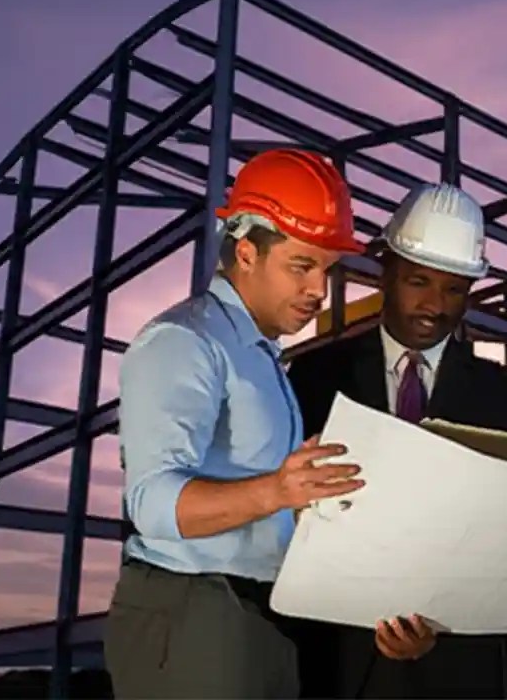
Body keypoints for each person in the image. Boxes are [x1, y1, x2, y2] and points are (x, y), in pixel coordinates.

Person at [104, 148, 368, 699]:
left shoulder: (261, 356)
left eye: (327, 269)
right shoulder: (185, 341)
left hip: (254, 617)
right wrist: (277, 490)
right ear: (245, 253)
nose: (320, 289)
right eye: (302, 266)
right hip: (192, 610)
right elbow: (150, 503)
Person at [286, 182, 507, 699]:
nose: (434, 306)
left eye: (454, 290)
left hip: (458, 665)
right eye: (419, 282)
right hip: (339, 661)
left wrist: (442, 619)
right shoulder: (314, 379)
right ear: (387, 272)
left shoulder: (505, 400)